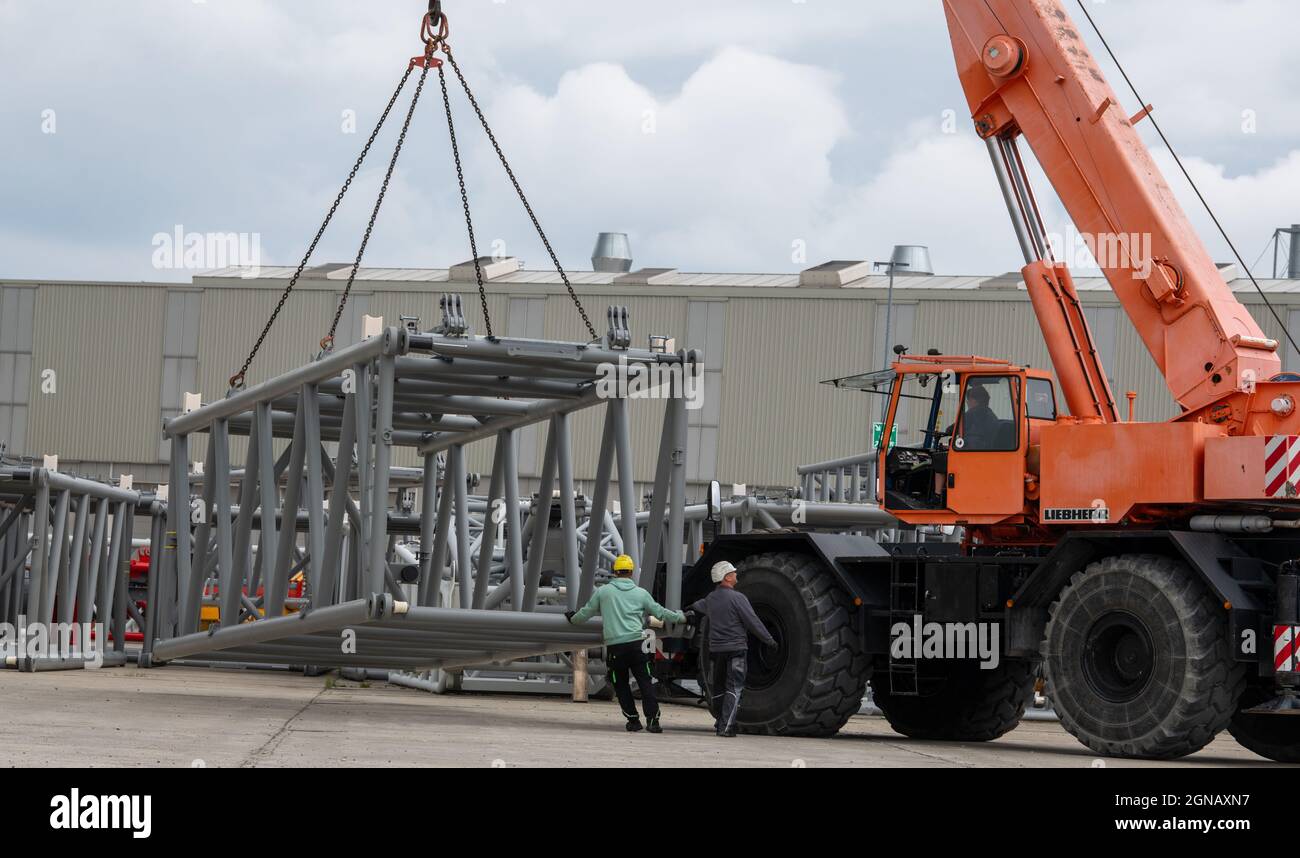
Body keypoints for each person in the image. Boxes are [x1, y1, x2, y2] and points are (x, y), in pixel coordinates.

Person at [566, 553, 686, 733]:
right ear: (631, 573)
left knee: (620, 685)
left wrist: (572, 618)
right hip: (638, 645)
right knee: (645, 683)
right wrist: (680, 617)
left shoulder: (603, 592)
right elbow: (660, 612)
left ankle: (633, 720)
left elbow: (585, 614)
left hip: (616, 648)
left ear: (615, 572)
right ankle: (653, 722)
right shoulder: (641, 593)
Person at [686, 560, 777, 737]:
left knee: (718, 688)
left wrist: (686, 611)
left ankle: (720, 721)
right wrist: (770, 641)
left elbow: (696, 607)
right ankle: (726, 727)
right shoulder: (738, 598)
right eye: (733, 573)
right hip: (736, 650)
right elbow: (754, 623)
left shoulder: (710, 599)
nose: (736, 575)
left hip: (715, 651)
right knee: (734, 688)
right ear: (727, 577)